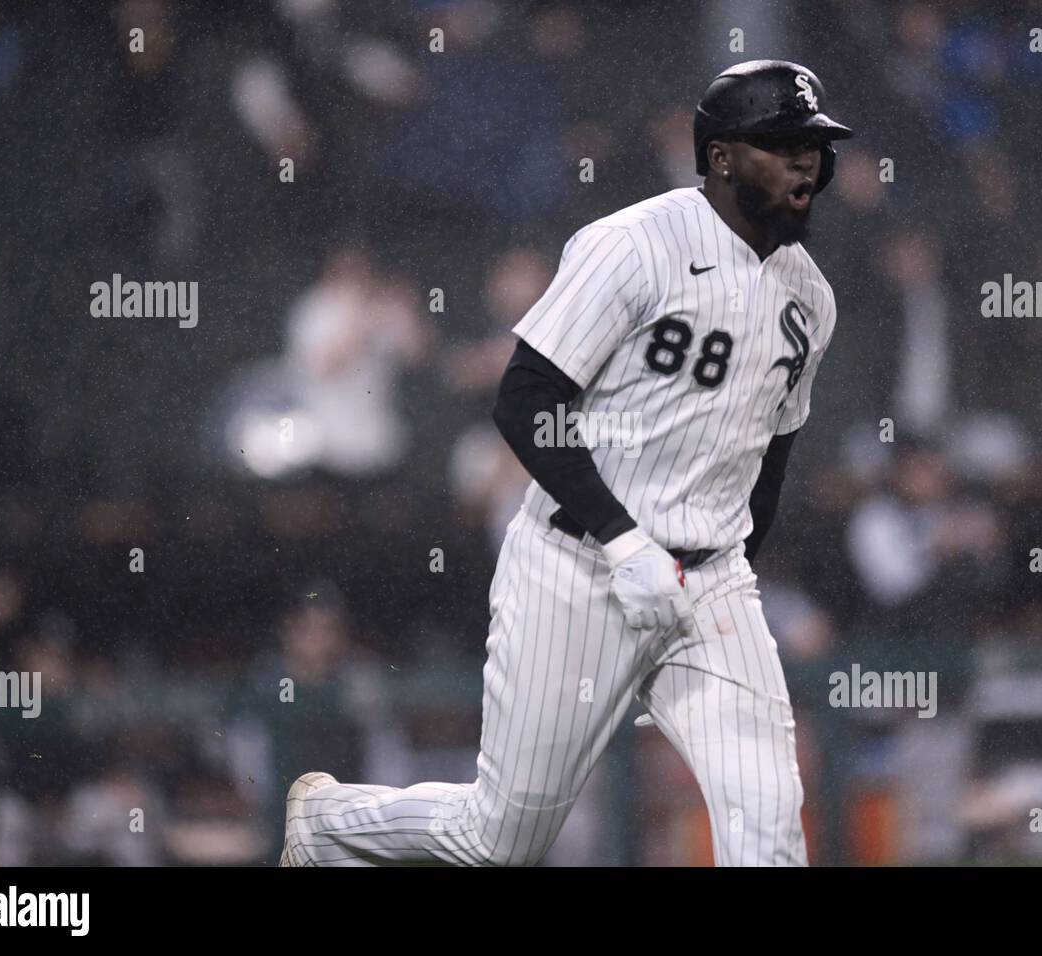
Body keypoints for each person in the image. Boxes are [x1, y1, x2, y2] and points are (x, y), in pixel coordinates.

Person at [281, 60, 852, 867]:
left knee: (769, 819)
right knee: (500, 841)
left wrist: (723, 573)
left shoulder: (811, 300)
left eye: (815, 147)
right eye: (784, 145)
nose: (808, 164)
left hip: (708, 584)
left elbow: (772, 460)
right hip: (578, 567)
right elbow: (526, 400)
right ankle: (331, 823)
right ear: (722, 157)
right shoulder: (633, 243)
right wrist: (625, 542)